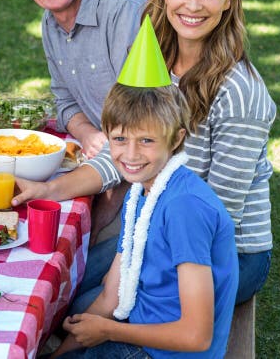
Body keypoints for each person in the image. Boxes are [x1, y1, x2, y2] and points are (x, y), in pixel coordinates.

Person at [11, 0, 275, 307]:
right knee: (64, 286)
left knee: (88, 309)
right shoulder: (155, 63)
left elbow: (218, 217)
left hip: (223, 251)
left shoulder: (240, 93)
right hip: (152, 221)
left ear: (229, 1)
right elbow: (132, 154)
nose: (192, 5)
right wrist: (51, 190)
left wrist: (128, 275)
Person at [8, 0, 146, 304]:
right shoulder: (50, 23)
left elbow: (143, 125)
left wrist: (105, 155)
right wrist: (86, 132)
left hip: (146, 161)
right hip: (106, 153)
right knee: (38, 248)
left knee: (69, 284)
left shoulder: (122, 8)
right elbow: (62, 97)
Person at [55, 79, 238, 358]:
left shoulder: (184, 209)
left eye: (146, 140)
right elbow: (110, 297)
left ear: (176, 139)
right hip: (141, 328)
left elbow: (196, 336)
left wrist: (107, 330)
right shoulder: (140, 190)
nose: (130, 155)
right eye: (119, 139)